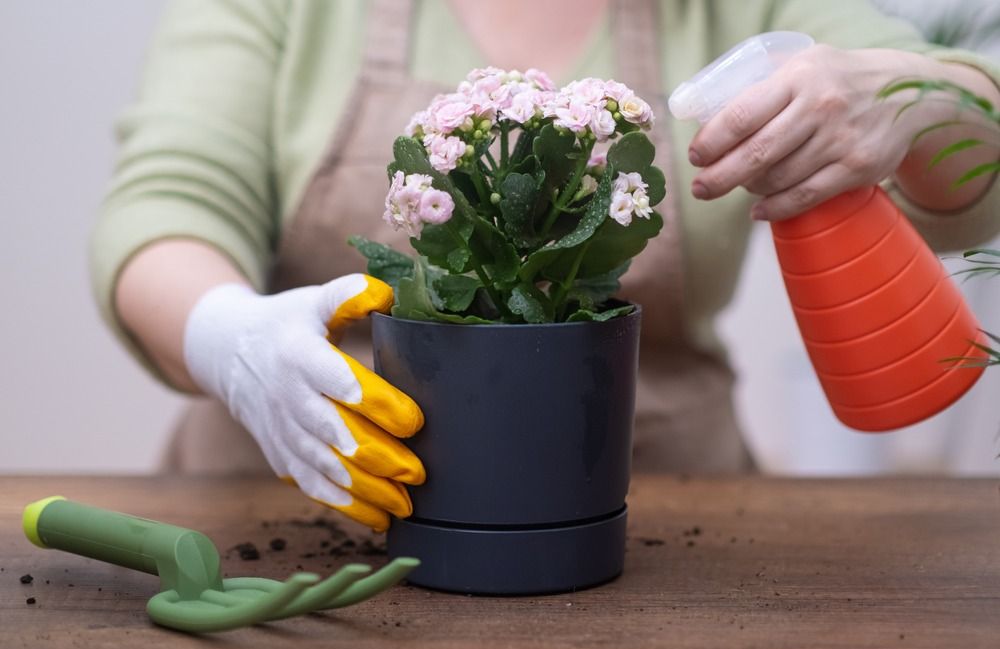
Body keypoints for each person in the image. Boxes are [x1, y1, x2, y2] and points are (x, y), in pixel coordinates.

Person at [91, 0, 1000, 532]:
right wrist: (228, 338)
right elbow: (166, 205)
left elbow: (970, 152)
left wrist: (911, 96)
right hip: (298, 502)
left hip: (664, 526)